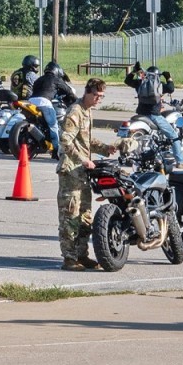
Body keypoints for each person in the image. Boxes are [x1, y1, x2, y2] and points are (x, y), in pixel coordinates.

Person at [57, 78, 118, 271]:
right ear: (88, 93)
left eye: (101, 96)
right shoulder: (75, 111)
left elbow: (86, 140)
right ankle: (69, 258)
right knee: (70, 216)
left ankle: (82, 255)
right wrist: (82, 159)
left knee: (85, 216)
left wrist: (104, 148)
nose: (99, 99)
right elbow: (65, 140)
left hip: (83, 173)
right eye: (97, 96)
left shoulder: (87, 111)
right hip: (71, 172)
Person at [125, 62, 183, 171]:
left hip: (140, 114)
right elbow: (171, 88)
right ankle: (181, 161)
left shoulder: (140, 83)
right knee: (173, 135)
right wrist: (169, 77)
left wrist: (134, 71)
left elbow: (127, 81)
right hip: (154, 116)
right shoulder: (160, 85)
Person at [30, 61, 78, 158]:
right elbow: (68, 91)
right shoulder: (56, 79)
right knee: (53, 126)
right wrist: (76, 101)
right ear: (56, 71)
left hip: (30, 101)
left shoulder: (38, 79)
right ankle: (56, 151)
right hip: (44, 103)